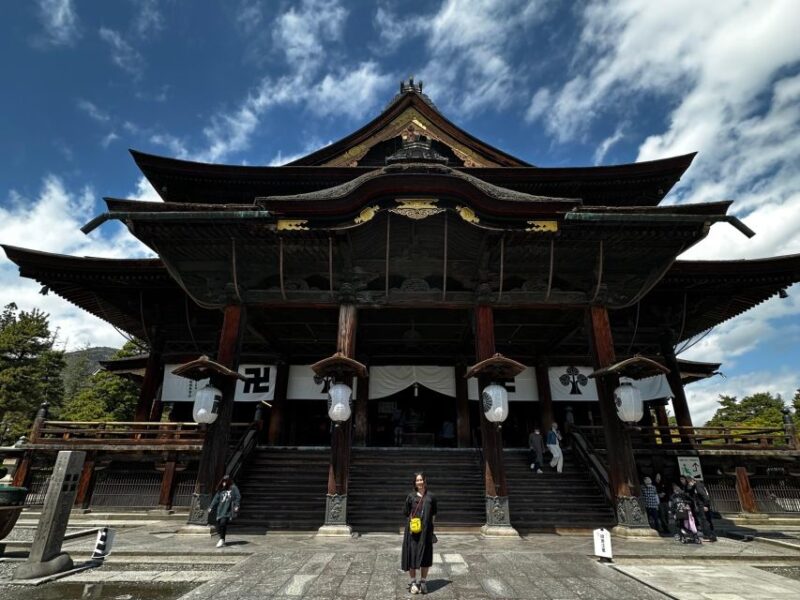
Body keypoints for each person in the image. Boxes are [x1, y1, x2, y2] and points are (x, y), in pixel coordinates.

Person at [402, 472, 437, 595]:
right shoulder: (410, 496)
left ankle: (423, 581)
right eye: (417, 480)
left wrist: (431, 528)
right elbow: (406, 512)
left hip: (426, 533)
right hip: (413, 533)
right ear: (415, 483)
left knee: (425, 558)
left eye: (421, 480)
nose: (420, 482)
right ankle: (413, 582)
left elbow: (433, 514)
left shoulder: (431, 497)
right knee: (412, 557)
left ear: (425, 481)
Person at [207, 474, 241, 548]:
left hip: (228, 510)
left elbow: (238, 497)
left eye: (225, 481)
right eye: (223, 481)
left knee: (223, 523)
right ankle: (222, 540)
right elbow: (216, 499)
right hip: (220, 510)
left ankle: (221, 539)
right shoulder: (221, 490)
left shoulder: (234, 488)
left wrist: (237, 505)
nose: (224, 483)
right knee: (221, 525)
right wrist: (211, 507)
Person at [686, 477, 717, 542]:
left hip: (703, 505)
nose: (689, 483)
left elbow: (705, 496)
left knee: (705, 520)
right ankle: (711, 536)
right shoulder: (698, 485)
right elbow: (689, 491)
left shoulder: (698, 486)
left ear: (692, 480)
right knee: (707, 520)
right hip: (703, 505)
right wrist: (690, 486)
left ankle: (709, 536)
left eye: (689, 482)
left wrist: (705, 505)